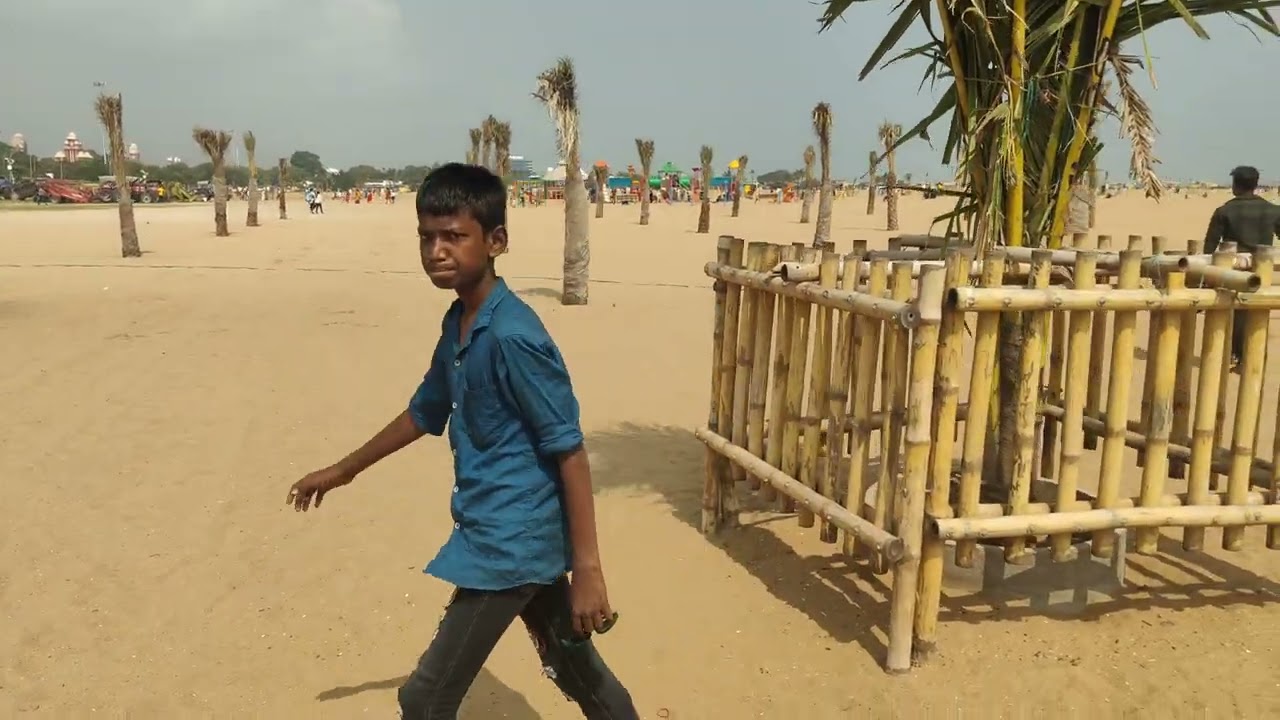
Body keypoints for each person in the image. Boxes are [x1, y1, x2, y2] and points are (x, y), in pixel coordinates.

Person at [286, 163, 638, 720]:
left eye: (454, 236)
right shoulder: (460, 323)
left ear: (496, 241)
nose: (436, 251)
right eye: (427, 237)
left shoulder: (513, 336)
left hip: (509, 543)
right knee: (575, 668)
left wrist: (589, 570)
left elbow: (568, 450)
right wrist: (343, 470)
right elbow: (424, 411)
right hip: (503, 531)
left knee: (425, 698)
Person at [1203, 166, 1280, 367]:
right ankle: (1253, 356)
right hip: (1262, 268)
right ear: (1255, 185)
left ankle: (1238, 354)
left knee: (1237, 311)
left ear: (1236, 185)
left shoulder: (1224, 211)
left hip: (1233, 270)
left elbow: (1210, 246)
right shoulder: (1274, 211)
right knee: (1257, 311)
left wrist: (1206, 276)